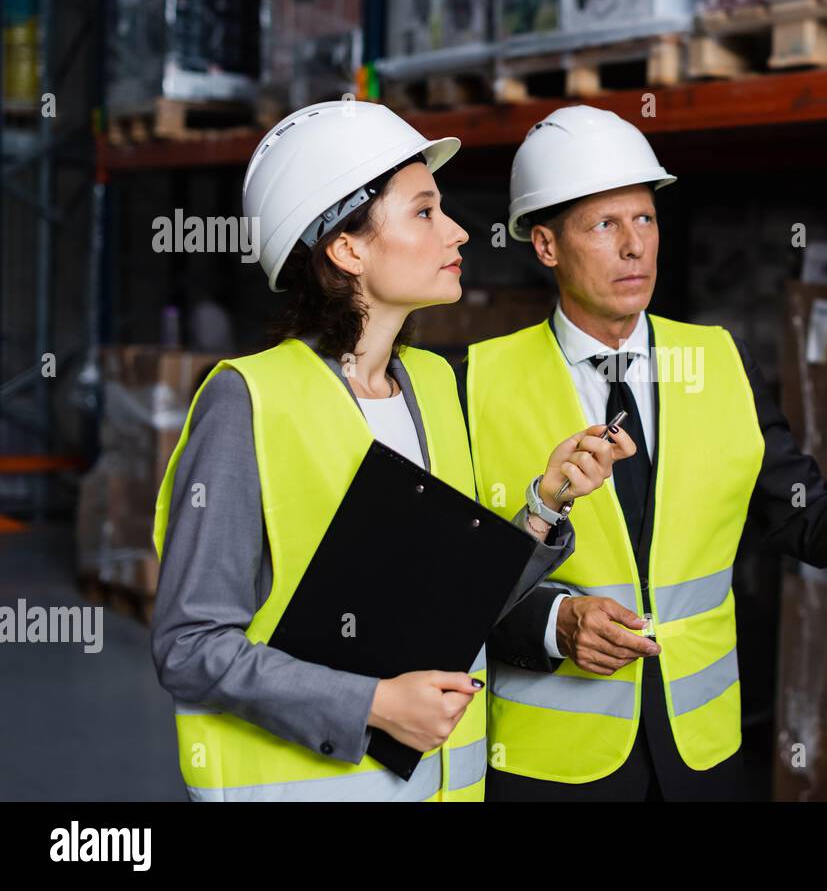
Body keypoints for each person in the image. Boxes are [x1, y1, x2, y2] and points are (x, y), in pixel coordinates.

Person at [460, 105, 827, 800]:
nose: (635, 246)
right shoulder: (476, 382)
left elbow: (802, 514)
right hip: (550, 768)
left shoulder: (719, 359)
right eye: (604, 225)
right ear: (547, 245)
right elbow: (454, 587)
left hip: (699, 756)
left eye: (645, 219)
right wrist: (554, 625)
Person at [150, 101, 634, 802]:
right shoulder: (247, 400)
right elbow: (189, 648)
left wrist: (543, 504)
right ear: (348, 248)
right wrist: (371, 704)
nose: (458, 230)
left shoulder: (434, 385)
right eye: (424, 212)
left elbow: (449, 603)